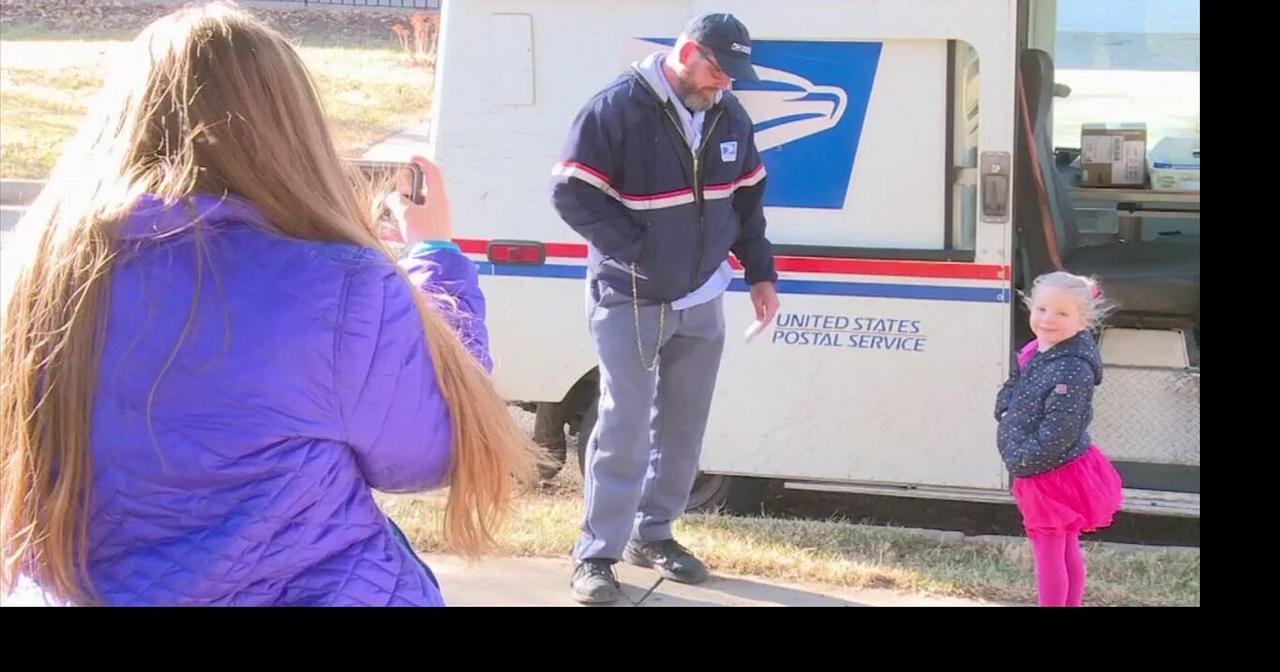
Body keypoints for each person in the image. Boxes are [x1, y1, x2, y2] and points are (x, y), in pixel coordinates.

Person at [0, 2, 534, 607]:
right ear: (290, 132)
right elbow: (437, 451)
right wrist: (434, 258)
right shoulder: (339, 285)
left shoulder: (39, 276)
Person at [550, 11, 780, 604]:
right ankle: (596, 554)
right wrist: (637, 251)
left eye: (732, 76)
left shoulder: (729, 114)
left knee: (683, 427)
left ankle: (653, 535)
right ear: (687, 53)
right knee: (623, 426)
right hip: (632, 295)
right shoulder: (616, 108)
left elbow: (747, 203)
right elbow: (570, 193)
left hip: (703, 297)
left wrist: (760, 274)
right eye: (718, 71)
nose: (724, 84)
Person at [994, 271, 1125, 607]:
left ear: (1083, 321)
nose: (1047, 319)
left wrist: (1025, 459)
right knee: (1064, 547)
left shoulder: (1072, 368)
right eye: (1041, 309)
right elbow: (1013, 384)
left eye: (1062, 313)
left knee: (1050, 554)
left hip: (1052, 473)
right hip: (1043, 465)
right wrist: (1004, 411)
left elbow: (1061, 428)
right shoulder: (1036, 350)